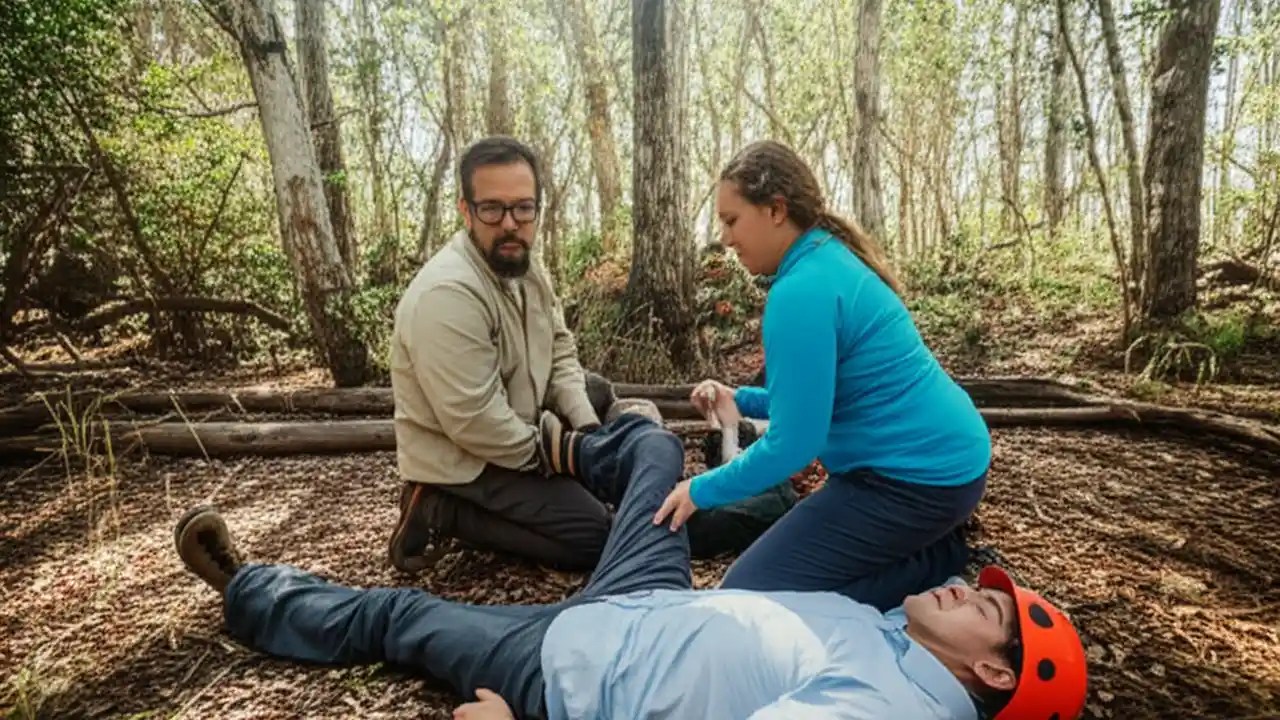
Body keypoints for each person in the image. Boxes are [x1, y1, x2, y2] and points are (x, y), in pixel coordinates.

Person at [175, 414, 1088, 720]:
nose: (975, 594)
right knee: (653, 453)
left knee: (399, 618)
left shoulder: (884, 707)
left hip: (576, 669)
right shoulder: (899, 640)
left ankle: (248, 591)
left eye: (991, 613)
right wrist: (952, 549)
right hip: (647, 599)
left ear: (992, 673)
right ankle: (588, 450)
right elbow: (908, 550)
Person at [388, 135, 793, 573]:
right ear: (466, 210)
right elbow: (474, 423)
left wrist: (587, 430)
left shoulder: (523, 265)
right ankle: (436, 506)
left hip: (530, 424)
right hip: (470, 460)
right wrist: (571, 458)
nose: (510, 223)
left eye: (523, 208)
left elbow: (561, 353)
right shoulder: (447, 295)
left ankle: (625, 480)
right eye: (492, 209)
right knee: (595, 538)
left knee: (616, 417)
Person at [655, 139, 994, 612]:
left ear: (776, 209)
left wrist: (699, 490)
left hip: (918, 481)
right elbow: (818, 397)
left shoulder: (800, 291)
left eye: (731, 221)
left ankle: (938, 558)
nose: (726, 239)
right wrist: (744, 400)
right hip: (942, 466)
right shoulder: (825, 257)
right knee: (769, 588)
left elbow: (795, 445)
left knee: (752, 600)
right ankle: (927, 546)